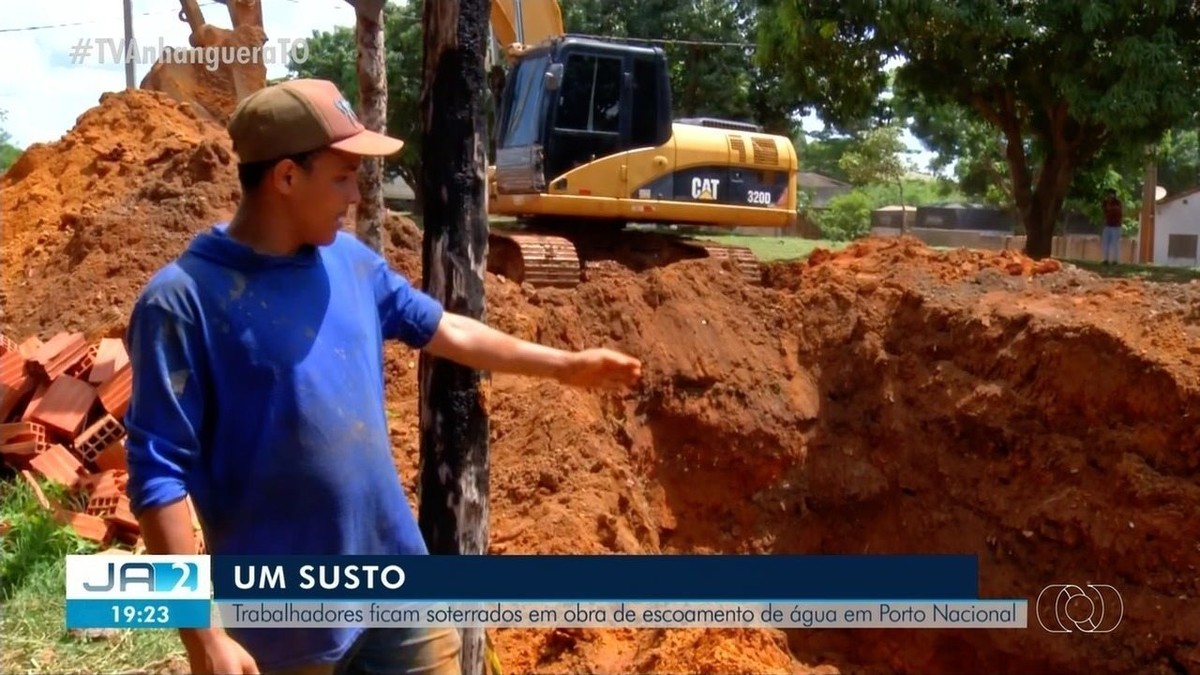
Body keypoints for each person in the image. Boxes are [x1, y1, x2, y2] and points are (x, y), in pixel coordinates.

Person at [122, 78, 643, 675]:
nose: (355, 199)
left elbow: (447, 329)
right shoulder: (182, 302)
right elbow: (158, 478)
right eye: (342, 177)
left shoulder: (352, 264)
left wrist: (565, 366)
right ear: (287, 177)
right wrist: (203, 637)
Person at [1101, 188, 1124, 265]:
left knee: (1115, 244)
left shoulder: (1117, 203)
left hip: (1116, 226)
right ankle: (1105, 259)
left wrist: (1109, 208)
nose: (1109, 196)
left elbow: (1117, 212)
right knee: (1105, 243)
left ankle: (1115, 260)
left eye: (1111, 194)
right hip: (1108, 225)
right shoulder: (1105, 202)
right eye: (1108, 194)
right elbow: (1104, 212)